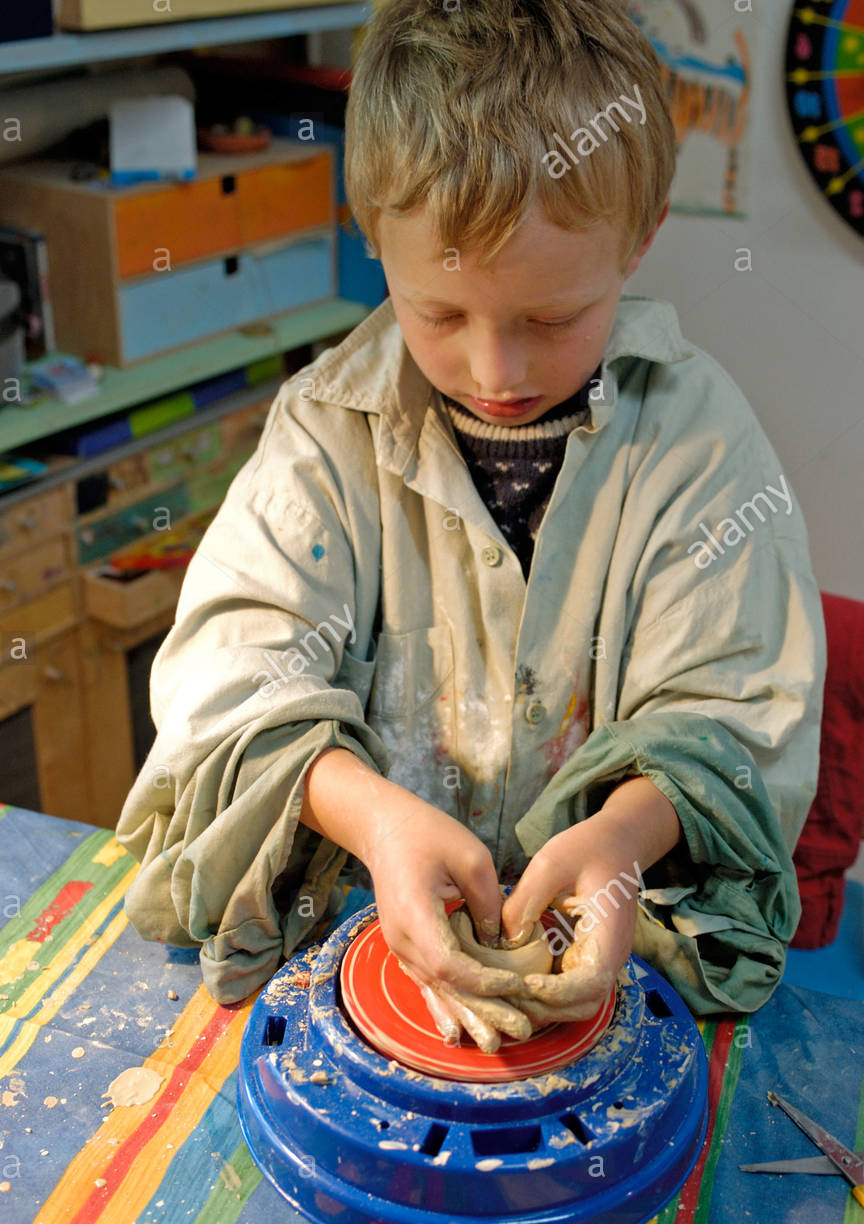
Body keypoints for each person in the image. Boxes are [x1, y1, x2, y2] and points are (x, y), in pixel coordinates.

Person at [116, 0, 825, 1051]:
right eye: (438, 313)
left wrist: (628, 836)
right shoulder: (325, 436)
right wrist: (370, 815)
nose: (498, 373)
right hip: (354, 968)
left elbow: (734, 721)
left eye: (552, 319)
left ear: (643, 236)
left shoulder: (701, 448)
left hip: (615, 985)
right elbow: (228, 683)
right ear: (373, 236)